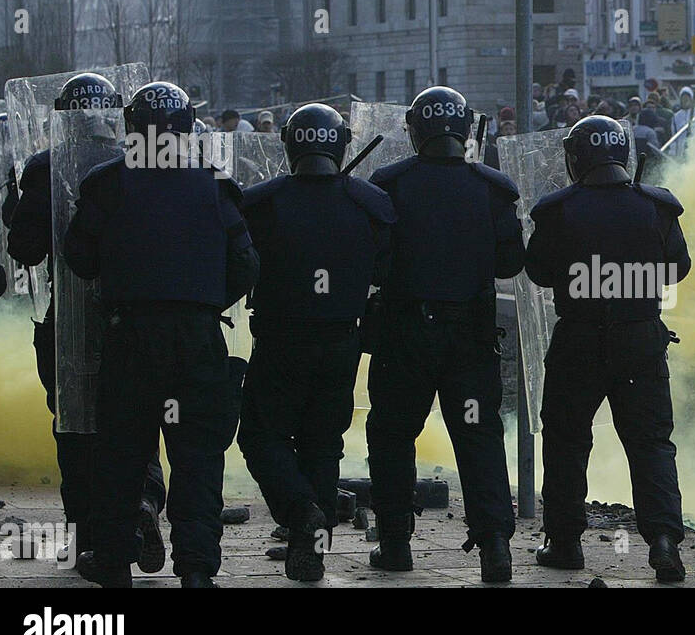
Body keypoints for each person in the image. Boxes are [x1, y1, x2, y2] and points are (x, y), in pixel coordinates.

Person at [63, 81, 259, 588]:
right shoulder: (214, 186)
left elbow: (78, 257)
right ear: (188, 126)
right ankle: (195, 569)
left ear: (132, 126)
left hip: (130, 335)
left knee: (122, 453)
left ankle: (113, 561)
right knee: (197, 457)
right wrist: (203, 301)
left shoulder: (107, 184)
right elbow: (246, 264)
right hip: (197, 338)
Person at [6, 73, 168, 575]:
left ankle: (88, 537)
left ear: (62, 112)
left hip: (70, 320)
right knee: (136, 418)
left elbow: (24, 251)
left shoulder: (45, 166)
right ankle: (142, 503)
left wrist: (19, 207)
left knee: (75, 427)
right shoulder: (139, 160)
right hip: (138, 312)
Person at [365, 86, 525, 582]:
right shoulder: (493, 188)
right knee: (478, 439)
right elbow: (511, 262)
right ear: (463, 129)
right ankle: (495, 545)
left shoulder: (388, 185)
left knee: (392, 435)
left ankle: (395, 545)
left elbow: (375, 262)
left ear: (416, 130)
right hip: (469, 338)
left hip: (403, 336)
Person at [525, 116, 692, 581]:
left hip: (578, 339)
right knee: (651, 444)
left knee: (566, 441)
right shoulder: (657, 207)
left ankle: (563, 543)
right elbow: (678, 269)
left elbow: (536, 271)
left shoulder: (557, 210)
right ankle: (663, 542)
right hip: (640, 339)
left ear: (576, 158)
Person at [237, 104, 395, 582]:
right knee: (323, 444)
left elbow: (244, 266)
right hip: (341, 340)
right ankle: (315, 546)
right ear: (340, 144)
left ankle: (299, 507)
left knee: (261, 434)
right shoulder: (369, 204)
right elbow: (384, 272)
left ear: (291, 144)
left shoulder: (262, 203)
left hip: (281, 337)